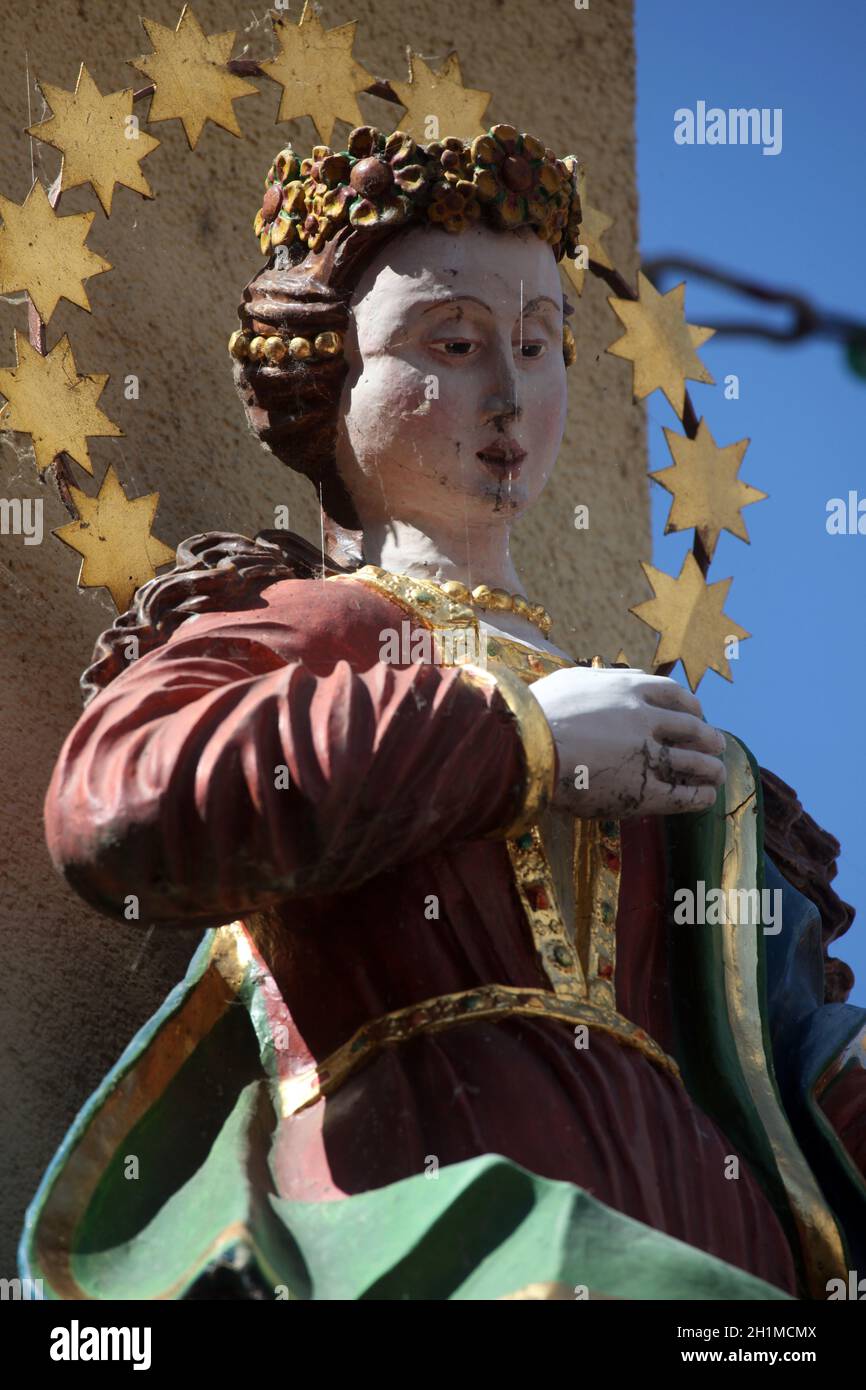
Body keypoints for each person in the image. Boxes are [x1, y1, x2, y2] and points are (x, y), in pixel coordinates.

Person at [20, 124, 866, 1301]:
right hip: (425, 1192)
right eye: (452, 343)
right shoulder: (306, 627)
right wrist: (519, 740)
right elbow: (119, 806)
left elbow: (789, 1051)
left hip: (703, 1231)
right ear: (322, 373)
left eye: (537, 343)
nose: (509, 390)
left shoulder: (671, 742)